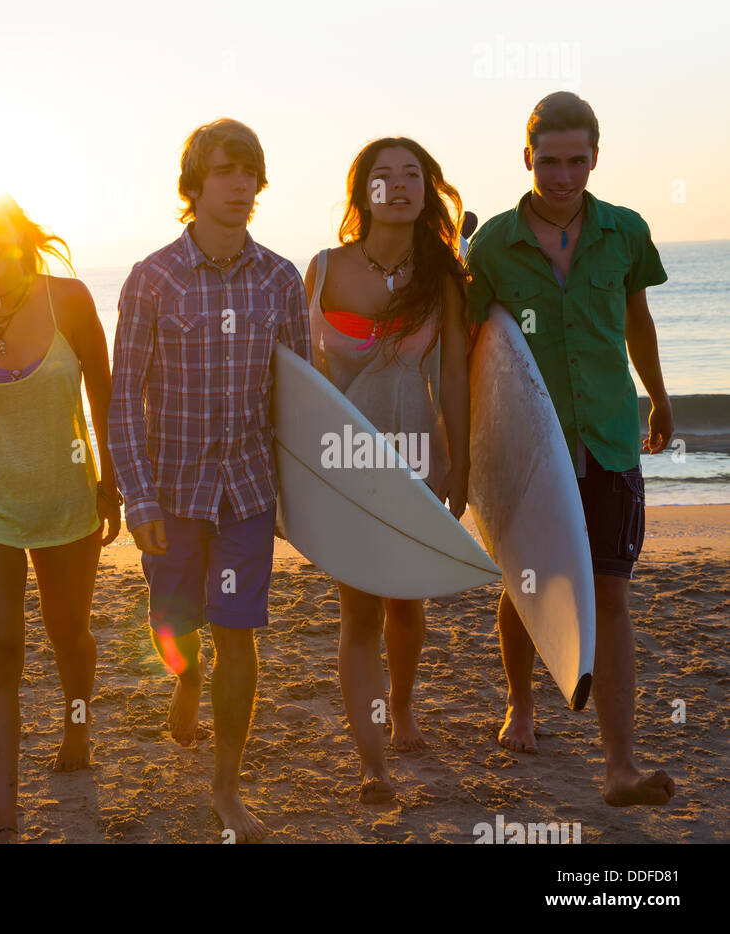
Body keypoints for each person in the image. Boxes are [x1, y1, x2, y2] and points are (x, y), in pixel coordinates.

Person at [465, 91, 676, 807]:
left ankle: (619, 765)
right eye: (548, 161)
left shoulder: (625, 232)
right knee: (524, 585)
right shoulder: (491, 244)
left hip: (610, 436)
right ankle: (522, 703)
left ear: (595, 156)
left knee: (609, 596)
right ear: (527, 158)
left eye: (576, 161)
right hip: (528, 444)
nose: (561, 176)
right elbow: (476, 351)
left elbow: (636, 320)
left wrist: (659, 393)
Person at [109, 118, 310, 842]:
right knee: (174, 623)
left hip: (249, 492)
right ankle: (183, 680)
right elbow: (123, 393)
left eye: (249, 172)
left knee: (239, 633)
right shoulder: (152, 278)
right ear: (193, 186)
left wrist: (304, 499)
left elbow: (300, 397)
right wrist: (137, 495)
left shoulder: (282, 279)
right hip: (172, 493)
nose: (239, 185)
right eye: (223, 172)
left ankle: (227, 786)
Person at [0, 192, 121, 843]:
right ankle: (3, 819)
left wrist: (111, 481)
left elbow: (104, 392)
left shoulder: (69, 300)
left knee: (70, 636)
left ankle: (76, 722)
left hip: (67, 500)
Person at [304, 137, 470, 803]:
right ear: (362, 191)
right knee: (358, 615)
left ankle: (402, 705)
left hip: (415, 460)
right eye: (384, 176)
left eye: (412, 176)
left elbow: (455, 372)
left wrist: (457, 460)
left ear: (427, 191)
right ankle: (373, 763)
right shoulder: (322, 270)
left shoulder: (443, 276)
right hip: (344, 470)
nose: (398, 186)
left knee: (405, 603)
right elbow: (287, 372)